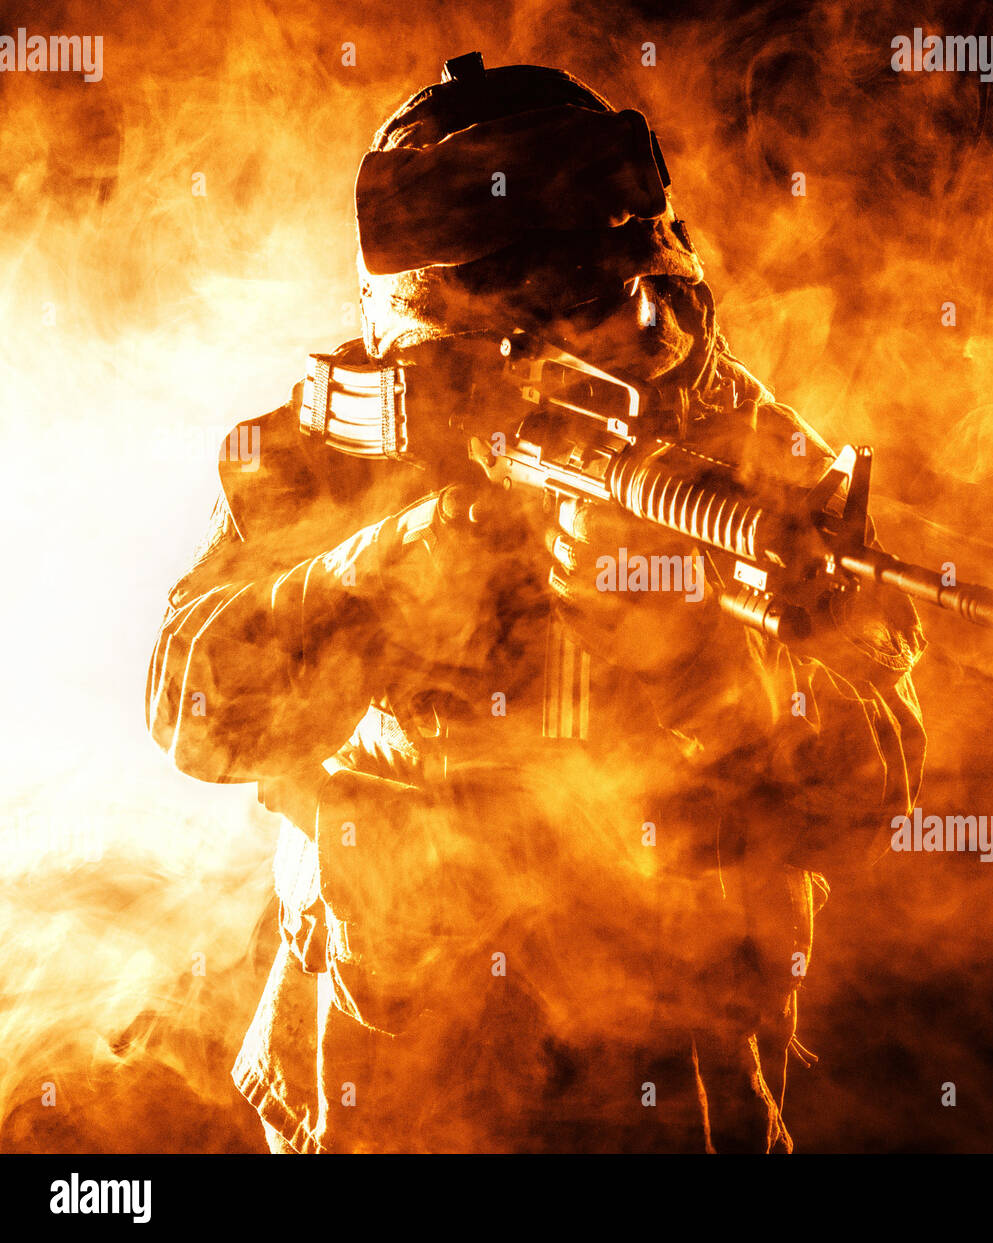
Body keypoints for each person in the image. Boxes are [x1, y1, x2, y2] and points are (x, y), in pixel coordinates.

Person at [146, 52, 926, 1153]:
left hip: (670, 1068)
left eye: (631, 314)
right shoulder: (342, 448)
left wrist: (696, 675)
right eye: (541, 343)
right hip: (388, 1056)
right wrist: (381, 572)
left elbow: (872, 780)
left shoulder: (742, 454)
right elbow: (195, 715)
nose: (618, 366)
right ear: (437, 344)